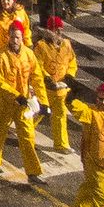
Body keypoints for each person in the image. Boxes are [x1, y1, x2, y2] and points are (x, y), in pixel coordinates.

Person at [0, 19, 47, 181]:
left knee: (27, 136)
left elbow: (37, 78)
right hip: (4, 103)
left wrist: (44, 102)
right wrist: (16, 96)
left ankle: (33, 172)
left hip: (23, 104)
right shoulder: (0, 55)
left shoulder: (29, 54)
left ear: (22, 38)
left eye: (17, 37)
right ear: (8, 37)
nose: (14, 40)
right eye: (12, 37)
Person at [35, 16, 78, 151]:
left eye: (60, 30)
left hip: (61, 89)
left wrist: (69, 76)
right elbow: (38, 65)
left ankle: (61, 144)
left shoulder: (66, 44)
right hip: (45, 88)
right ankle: (24, 131)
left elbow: (72, 62)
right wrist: (47, 79)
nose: (58, 33)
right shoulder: (41, 46)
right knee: (39, 113)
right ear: (49, 31)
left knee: (60, 115)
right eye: (55, 30)